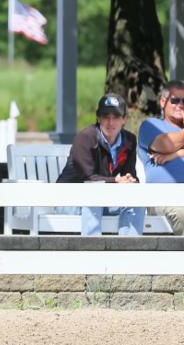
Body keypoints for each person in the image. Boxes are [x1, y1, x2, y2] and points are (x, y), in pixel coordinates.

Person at [56, 93, 141, 236]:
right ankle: (92, 252)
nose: (110, 122)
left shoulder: (130, 140)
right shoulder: (85, 138)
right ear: (98, 117)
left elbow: (129, 173)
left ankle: (130, 250)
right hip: (69, 201)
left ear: (124, 119)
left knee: (135, 199)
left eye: (116, 117)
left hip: (103, 199)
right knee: (94, 193)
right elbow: (89, 177)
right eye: (106, 116)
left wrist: (130, 180)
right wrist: (116, 180)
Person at [138, 80, 184, 234]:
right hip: (164, 197)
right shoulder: (151, 125)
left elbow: (172, 149)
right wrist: (172, 151)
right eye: (175, 100)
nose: (181, 104)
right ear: (163, 102)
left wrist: (175, 154)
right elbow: (166, 144)